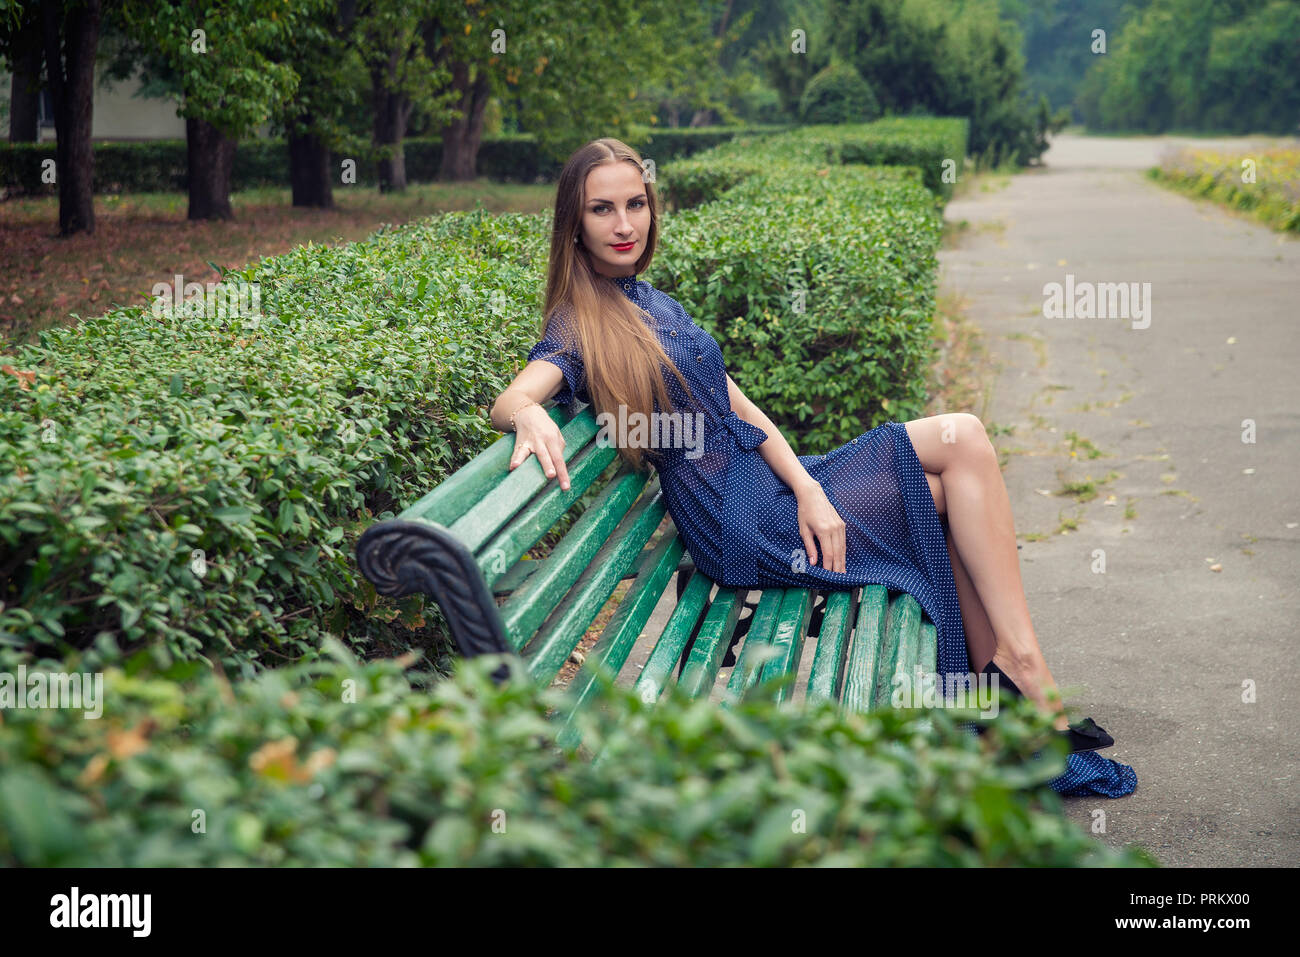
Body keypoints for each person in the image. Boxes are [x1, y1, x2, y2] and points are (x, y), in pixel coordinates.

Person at [490, 137, 1121, 764]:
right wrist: (528, 416)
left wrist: (808, 487)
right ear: (574, 222)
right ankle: (1026, 673)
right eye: (603, 209)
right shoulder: (577, 322)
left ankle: (993, 689)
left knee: (940, 499)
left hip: (767, 495)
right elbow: (514, 396)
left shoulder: (651, 300)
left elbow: (739, 407)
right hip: (738, 524)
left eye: (636, 203)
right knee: (966, 439)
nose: (625, 224)